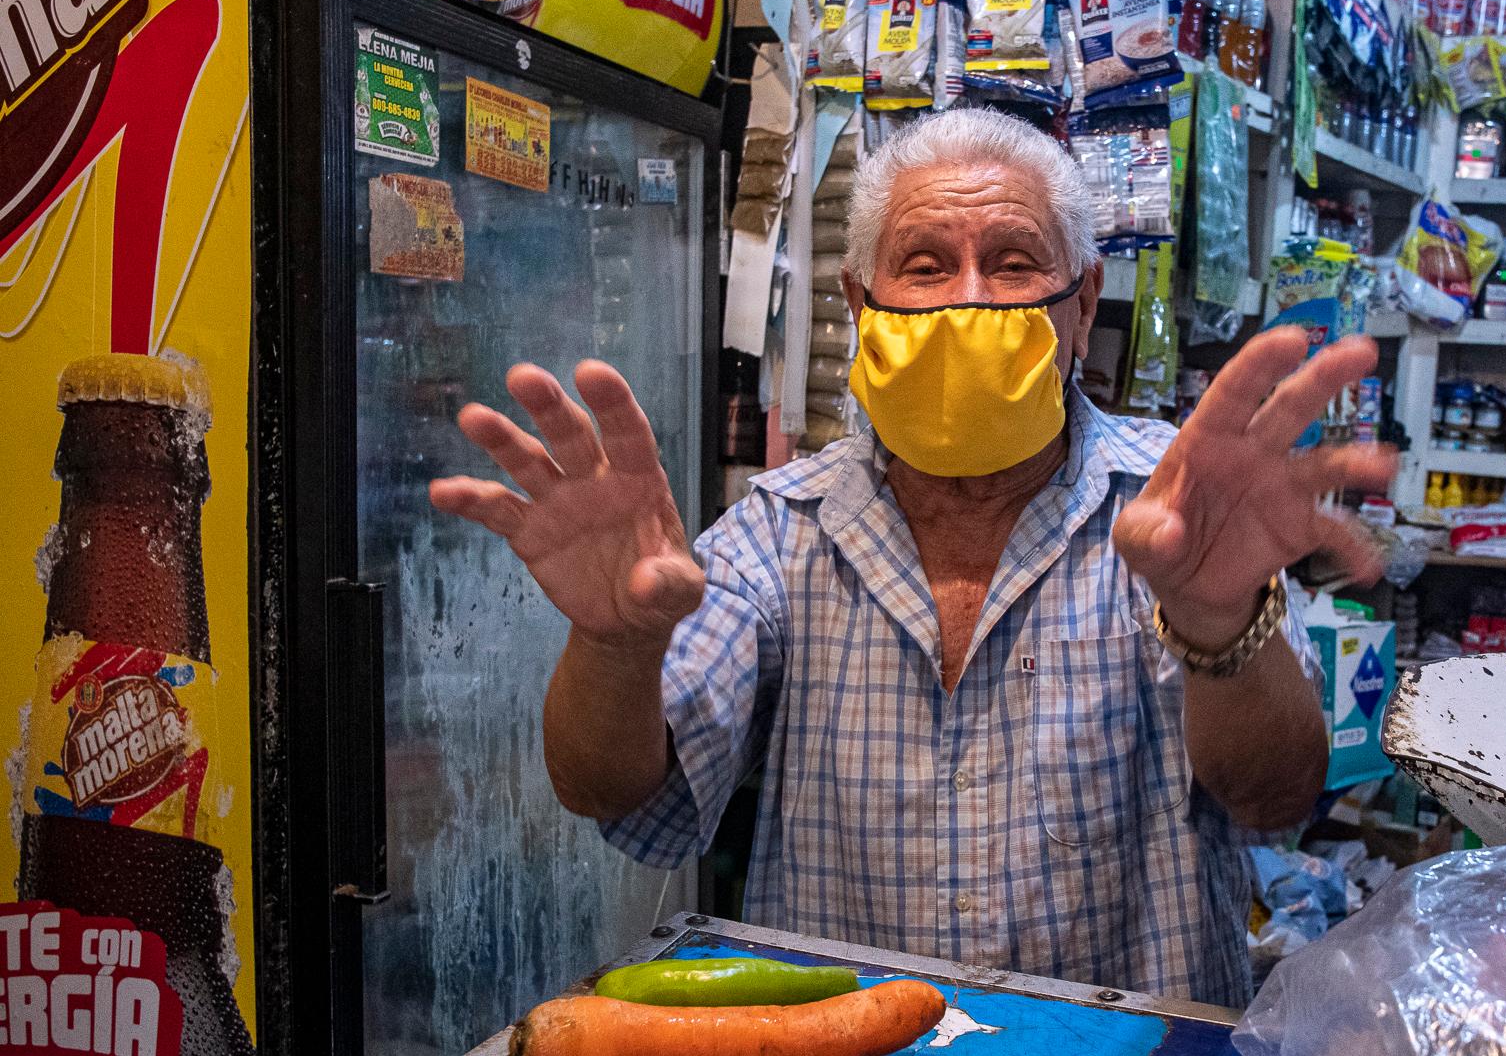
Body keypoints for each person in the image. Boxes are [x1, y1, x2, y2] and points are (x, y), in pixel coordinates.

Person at [430, 108, 1393, 1006]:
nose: (968, 302)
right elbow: (611, 790)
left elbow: (1275, 796)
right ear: (860, 300)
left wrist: (1219, 623)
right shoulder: (780, 530)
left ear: (1082, 297)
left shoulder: (1176, 511)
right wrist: (611, 643)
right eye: (925, 266)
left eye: (1013, 264)